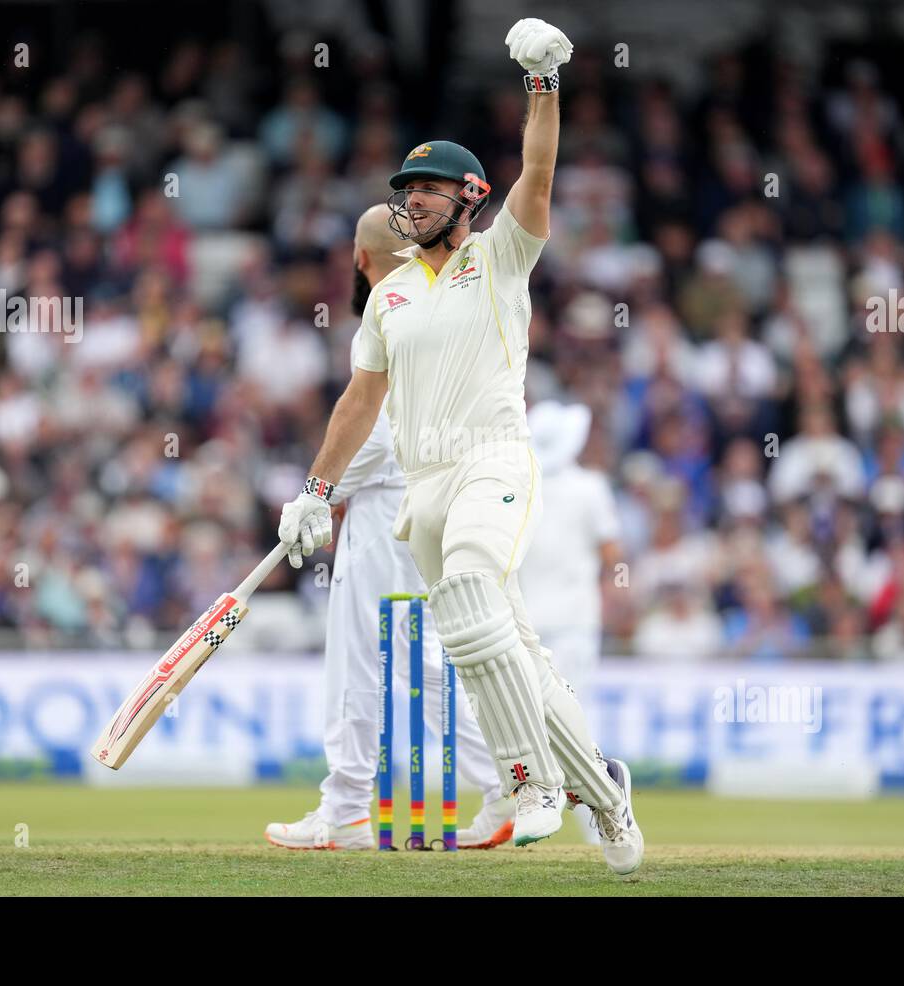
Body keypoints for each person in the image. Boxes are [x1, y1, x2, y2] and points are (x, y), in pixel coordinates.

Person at [276, 19, 642, 875]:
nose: (416, 200)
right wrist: (313, 492)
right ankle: (605, 792)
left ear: (470, 196)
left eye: (433, 189)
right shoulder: (390, 297)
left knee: (474, 591)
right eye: (409, 190)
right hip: (425, 492)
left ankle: (528, 784)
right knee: (507, 645)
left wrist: (544, 84)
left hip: (495, 461)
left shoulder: (502, 255)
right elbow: (360, 401)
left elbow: (541, 169)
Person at [265, 206, 513, 851]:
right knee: (386, 660)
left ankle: (502, 779)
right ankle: (350, 805)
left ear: (360, 258)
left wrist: (318, 495)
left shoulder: (399, 311)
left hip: (392, 517)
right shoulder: (433, 308)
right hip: (417, 511)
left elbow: (376, 431)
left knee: (399, 661)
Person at [518, 400, 622, 843]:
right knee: (578, 721)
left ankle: (541, 805)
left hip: (527, 626)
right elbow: (613, 556)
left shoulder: (519, 486)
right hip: (576, 624)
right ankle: (604, 816)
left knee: (535, 724)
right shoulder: (591, 487)